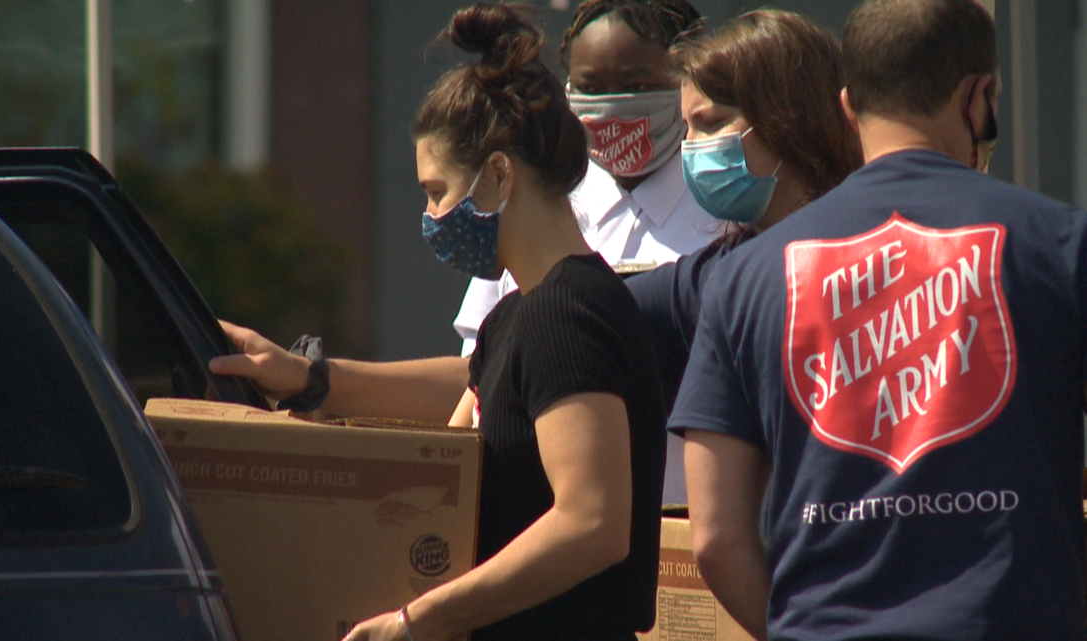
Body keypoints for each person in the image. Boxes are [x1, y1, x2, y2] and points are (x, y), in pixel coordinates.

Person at [211, 8, 861, 507]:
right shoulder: (692, 275)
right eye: (591, 85)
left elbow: (599, 522)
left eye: (641, 85)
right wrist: (316, 379)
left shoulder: (782, 241)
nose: (694, 145)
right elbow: (497, 369)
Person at [670, 1, 1087, 639]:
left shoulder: (742, 277)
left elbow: (716, 537)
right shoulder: (1062, 245)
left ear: (847, 105)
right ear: (979, 96)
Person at [325, 4, 664, 639]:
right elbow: (445, 465)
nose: (431, 216)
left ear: (500, 172)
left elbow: (592, 522)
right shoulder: (513, 317)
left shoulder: (568, 314)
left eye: (436, 191)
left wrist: (417, 621)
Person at [626, 9, 861, 503]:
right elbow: (595, 309)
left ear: (786, 119)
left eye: (710, 123)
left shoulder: (868, 248)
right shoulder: (719, 274)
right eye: (686, 128)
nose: (691, 149)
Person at [452, 0, 717, 358]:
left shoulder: (724, 211)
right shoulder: (527, 201)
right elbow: (477, 372)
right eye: (592, 89)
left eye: (637, 86)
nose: (612, 105)